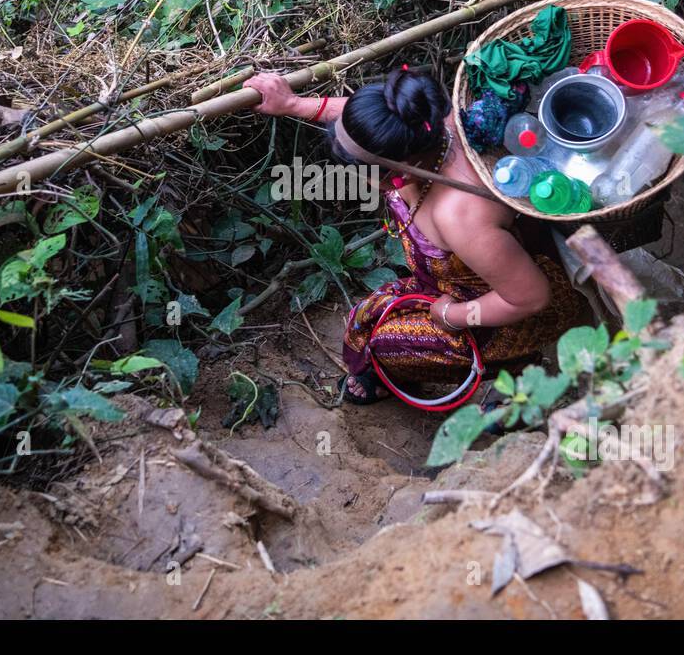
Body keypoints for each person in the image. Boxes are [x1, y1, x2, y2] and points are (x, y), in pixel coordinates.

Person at [247, 67, 587, 404]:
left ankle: (514, 364)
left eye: (366, 175)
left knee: (389, 347)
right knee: (365, 318)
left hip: (508, 307)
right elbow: (368, 123)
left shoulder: (460, 215)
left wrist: (454, 316)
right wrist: (293, 105)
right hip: (454, 281)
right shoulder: (422, 123)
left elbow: (530, 298)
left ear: (397, 173)